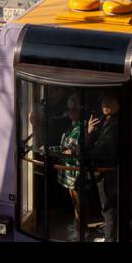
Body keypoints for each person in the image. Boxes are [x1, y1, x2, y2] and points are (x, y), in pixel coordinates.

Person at [86, 91, 120, 241]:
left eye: (109, 101)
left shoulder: (115, 124)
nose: (105, 105)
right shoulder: (105, 120)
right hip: (105, 171)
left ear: (117, 103)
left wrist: (88, 136)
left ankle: (110, 239)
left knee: (108, 209)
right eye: (103, 102)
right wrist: (90, 132)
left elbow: (97, 151)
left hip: (108, 172)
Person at [55, 92, 86, 240]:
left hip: (75, 171)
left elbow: (72, 150)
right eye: (69, 109)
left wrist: (54, 150)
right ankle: (78, 226)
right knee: (75, 202)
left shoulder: (80, 128)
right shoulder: (73, 125)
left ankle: (80, 230)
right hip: (70, 169)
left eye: (73, 110)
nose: (69, 113)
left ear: (80, 111)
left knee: (78, 202)